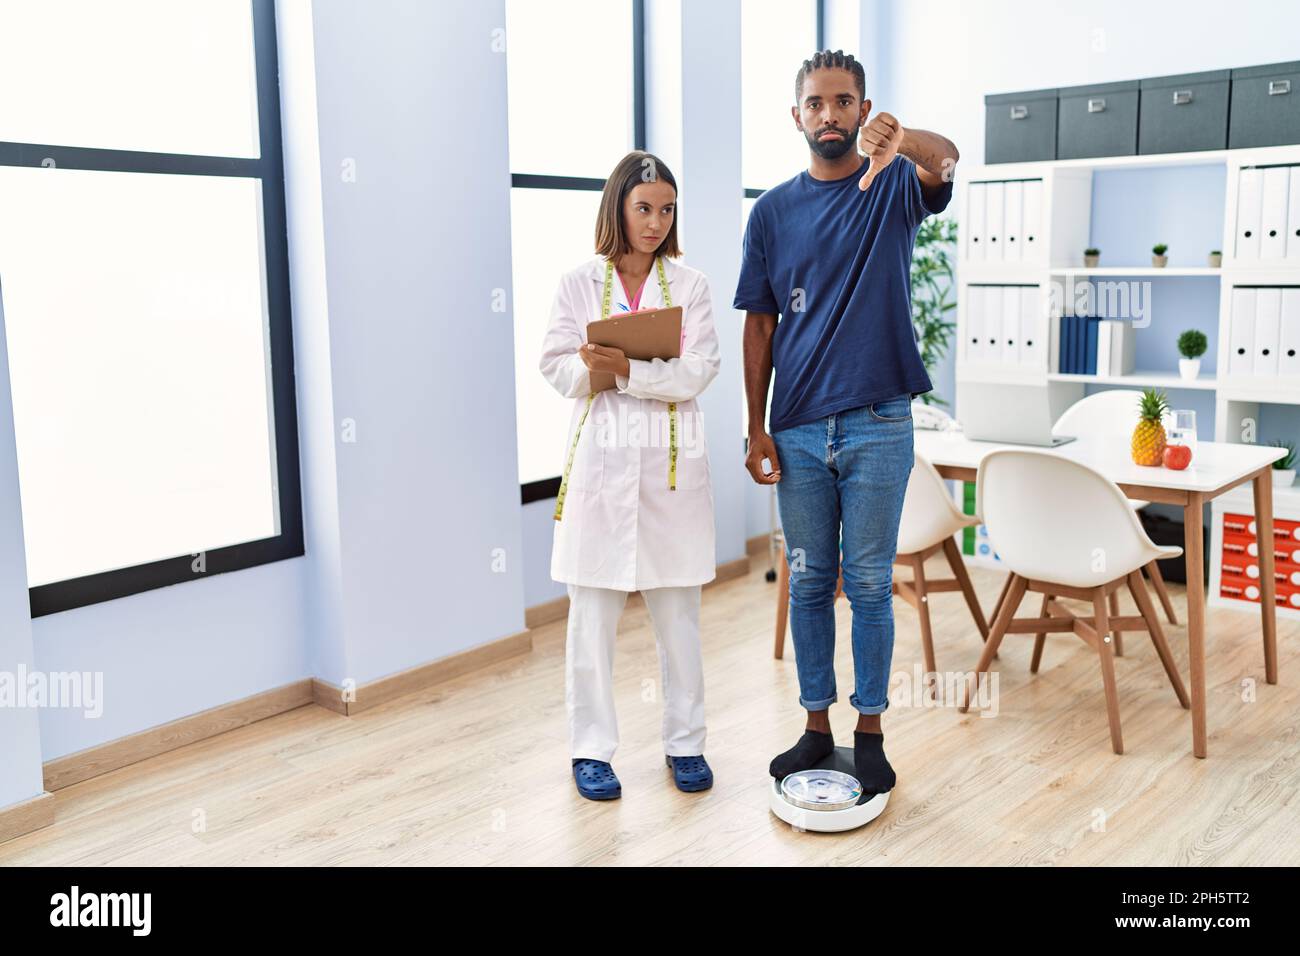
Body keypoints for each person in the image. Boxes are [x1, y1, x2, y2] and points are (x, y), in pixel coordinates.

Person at [733, 50, 959, 798]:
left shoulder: (891, 183)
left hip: (879, 422)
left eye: (842, 101)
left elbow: (946, 161)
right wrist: (756, 427)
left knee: (867, 585)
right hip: (796, 429)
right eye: (815, 103)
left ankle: (869, 734)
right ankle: (814, 727)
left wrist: (904, 138)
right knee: (807, 582)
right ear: (796, 115)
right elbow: (759, 325)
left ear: (863, 110)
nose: (828, 114)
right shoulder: (771, 213)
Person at [539, 150, 722, 801]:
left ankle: (686, 744)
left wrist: (625, 371)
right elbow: (555, 366)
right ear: (617, 208)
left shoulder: (691, 286)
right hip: (601, 469)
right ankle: (591, 751)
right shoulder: (578, 283)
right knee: (590, 624)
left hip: (670, 477)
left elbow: (698, 370)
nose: (655, 222)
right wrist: (597, 369)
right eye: (644, 208)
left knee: (679, 622)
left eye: (666, 210)